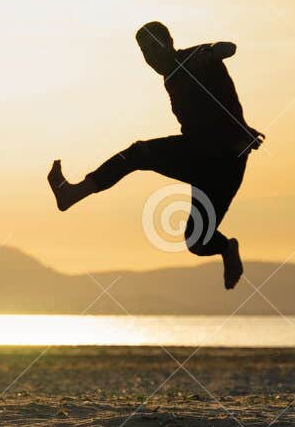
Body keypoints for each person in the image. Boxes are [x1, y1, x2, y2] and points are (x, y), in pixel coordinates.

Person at [48, 21, 263, 289]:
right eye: (144, 51)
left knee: (141, 156)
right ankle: (227, 249)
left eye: (154, 46)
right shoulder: (171, 76)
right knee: (195, 239)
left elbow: (225, 49)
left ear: (170, 42)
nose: (150, 56)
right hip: (207, 161)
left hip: (222, 156)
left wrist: (210, 54)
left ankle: (73, 193)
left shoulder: (191, 59)